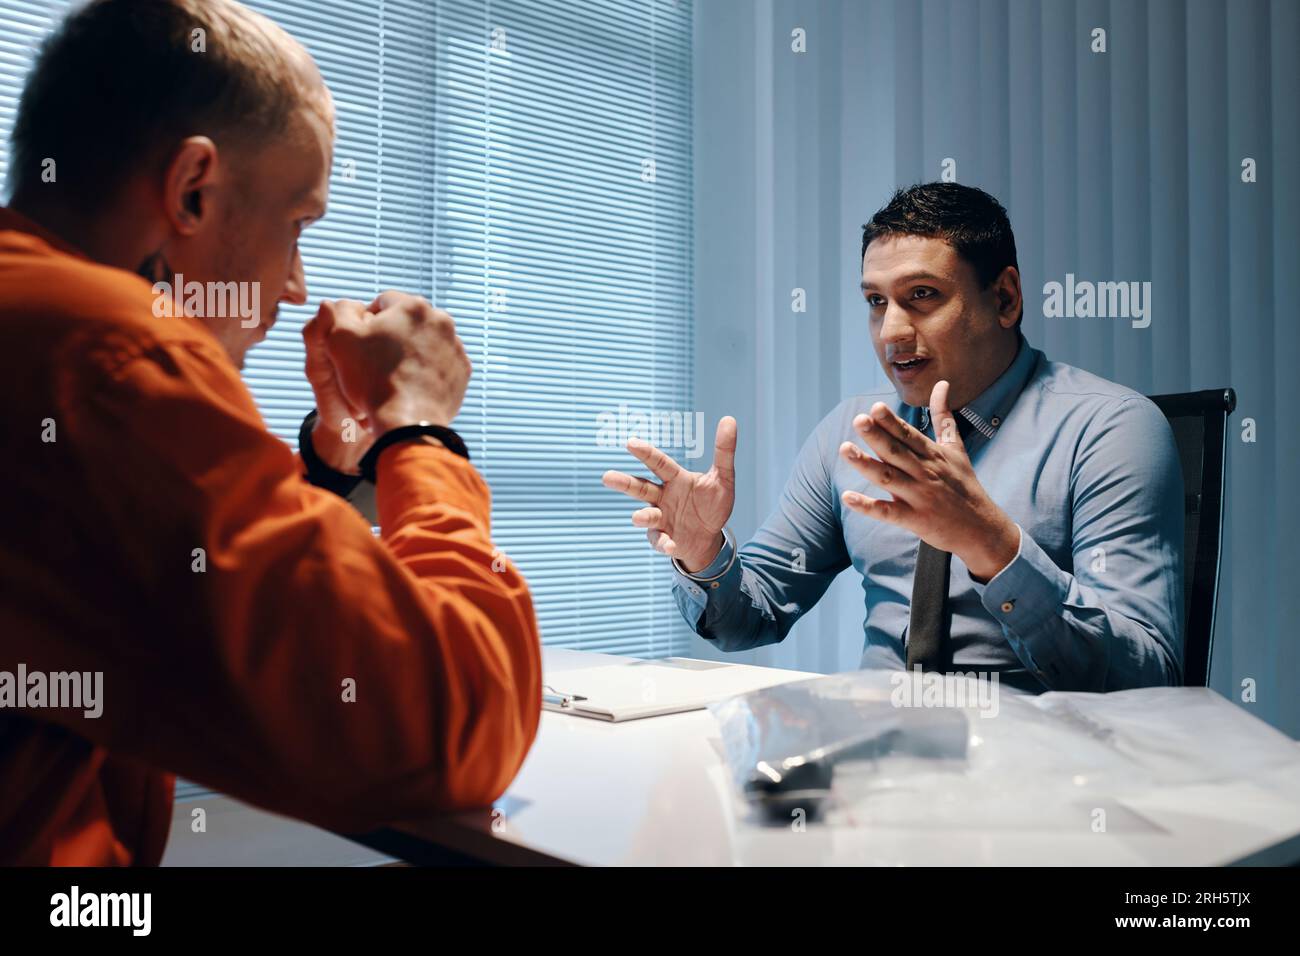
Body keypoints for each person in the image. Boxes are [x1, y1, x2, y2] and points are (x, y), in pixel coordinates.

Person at [0, 0, 540, 865]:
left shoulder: (37, 332)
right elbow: (450, 725)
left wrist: (327, 473)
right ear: (192, 190)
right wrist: (422, 430)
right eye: (296, 227)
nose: (295, 288)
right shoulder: (104, 355)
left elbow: (185, 613)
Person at [604, 182, 1184, 693]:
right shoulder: (851, 432)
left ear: (1004, 298)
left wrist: (989, 542)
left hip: (1039, 778)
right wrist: (706, 557)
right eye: (876, 302)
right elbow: (748, 619)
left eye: (923, 296)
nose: (892, 331)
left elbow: (1147, 678)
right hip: (877, 759)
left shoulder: (1110, 428)